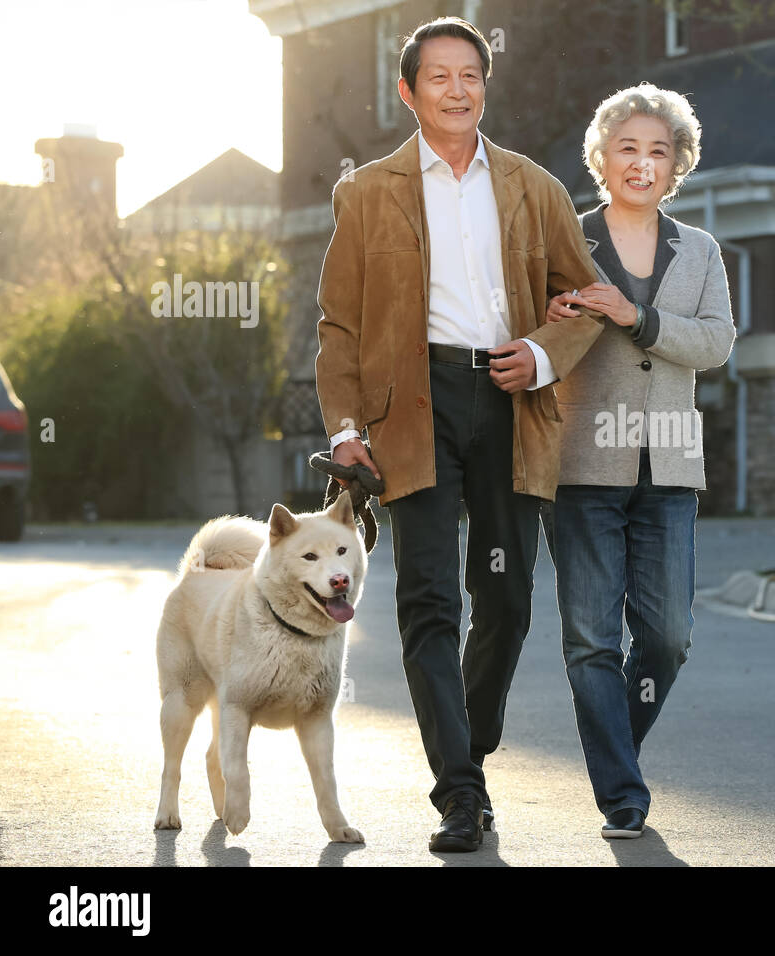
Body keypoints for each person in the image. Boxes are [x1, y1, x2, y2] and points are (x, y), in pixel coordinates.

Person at [315, 16, 604, 853]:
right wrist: (343, 428)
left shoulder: (532, 186)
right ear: (408, 92)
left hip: (509, 401)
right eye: (437, 76)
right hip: (413, 405)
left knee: (506, 600)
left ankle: (465, 754)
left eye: (470, 74)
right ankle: (460, 795)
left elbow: (585, 299)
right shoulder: (364, 194)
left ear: (486, 84)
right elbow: (338, 326)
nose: (457, 88)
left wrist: (543, 357)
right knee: (429, 598)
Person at [541, 83, 735, 838]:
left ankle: (608, 749)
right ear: (602, 156)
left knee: (668, 637)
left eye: (658, 151)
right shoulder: (565, 242)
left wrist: (640, 317)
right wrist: (550, 319)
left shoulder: (702, 250)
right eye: (628, 147)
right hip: (582, 464)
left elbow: (716, 342)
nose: (642, 163)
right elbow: (524, 339)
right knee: (591, 637)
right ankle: (623, 791)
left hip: (671, 469)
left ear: (676, 165)